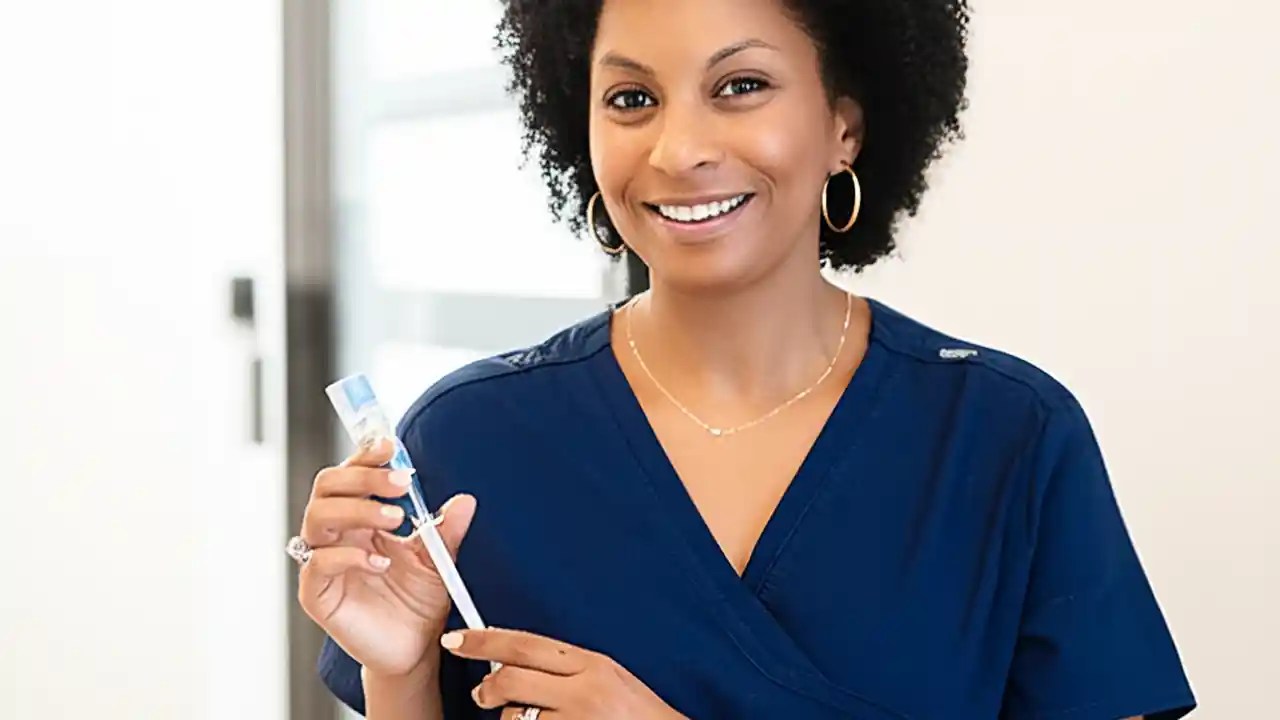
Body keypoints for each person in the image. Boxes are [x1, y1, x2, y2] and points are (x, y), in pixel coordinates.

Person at [291, 1, 1196, 718]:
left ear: (844, 124)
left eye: (740, 86)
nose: (680, 151)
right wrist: (400, 674)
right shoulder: (470, 441)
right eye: (632, 99)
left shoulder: (1008, 440)